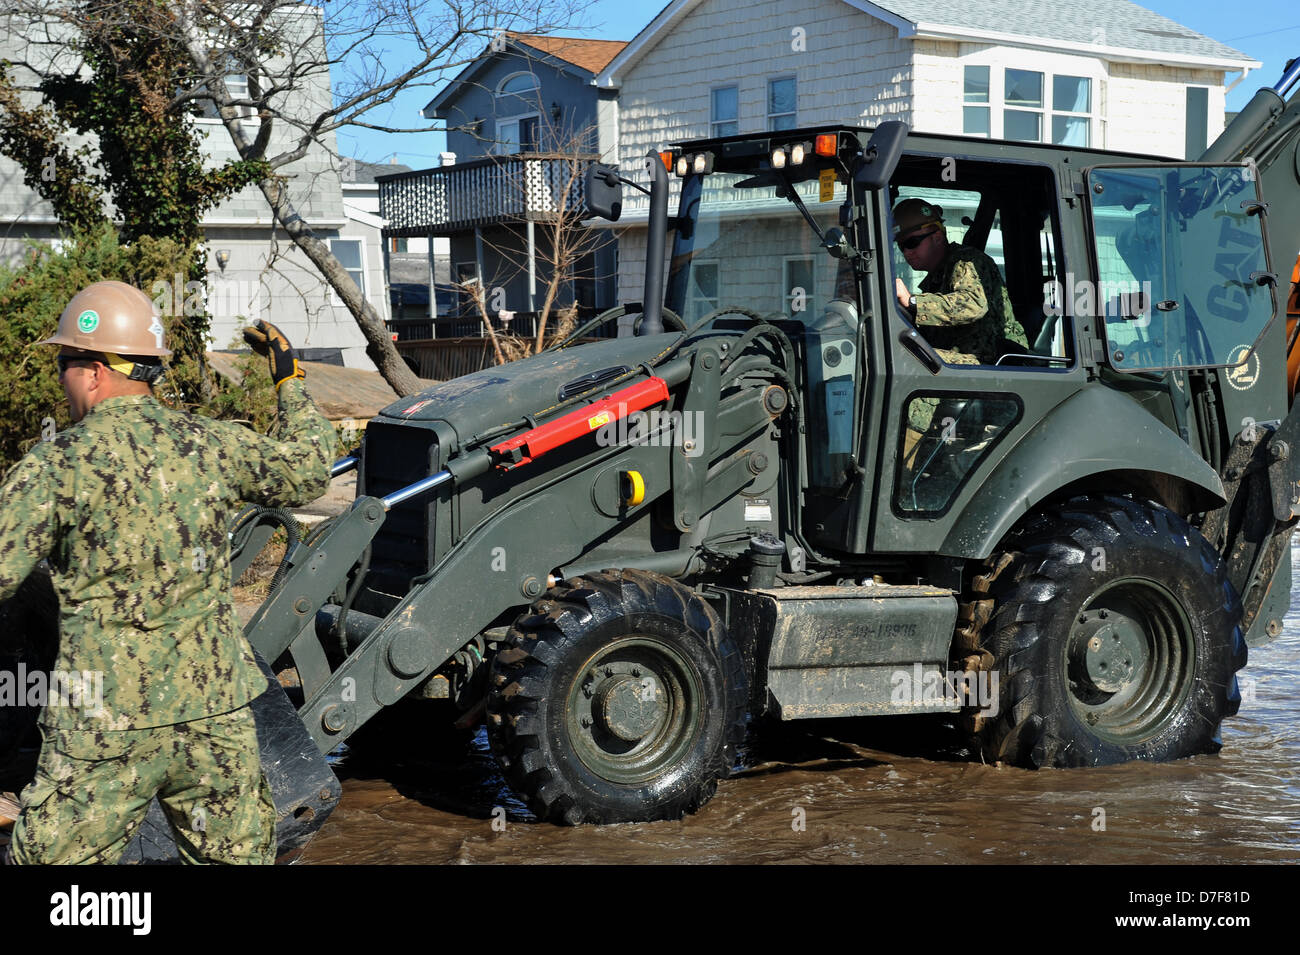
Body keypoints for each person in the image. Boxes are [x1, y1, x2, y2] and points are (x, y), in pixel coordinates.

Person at [0, 281, 334, 864]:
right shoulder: (212, 445)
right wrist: (290, 382)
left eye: (63, 364)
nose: (61, 380)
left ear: (95, 370)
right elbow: (308, 469)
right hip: (214, 720)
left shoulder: (57, 465)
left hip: (106, 724)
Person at [891, 197, 1027, 365]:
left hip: (990, 361)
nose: (906, 252)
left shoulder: (966, 261)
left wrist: (913, 302)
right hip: (966, 359)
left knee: (909, 359)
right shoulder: (936, 277)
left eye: (912, 243)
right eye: (901, 246)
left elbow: (974, 305)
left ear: (938, 237)